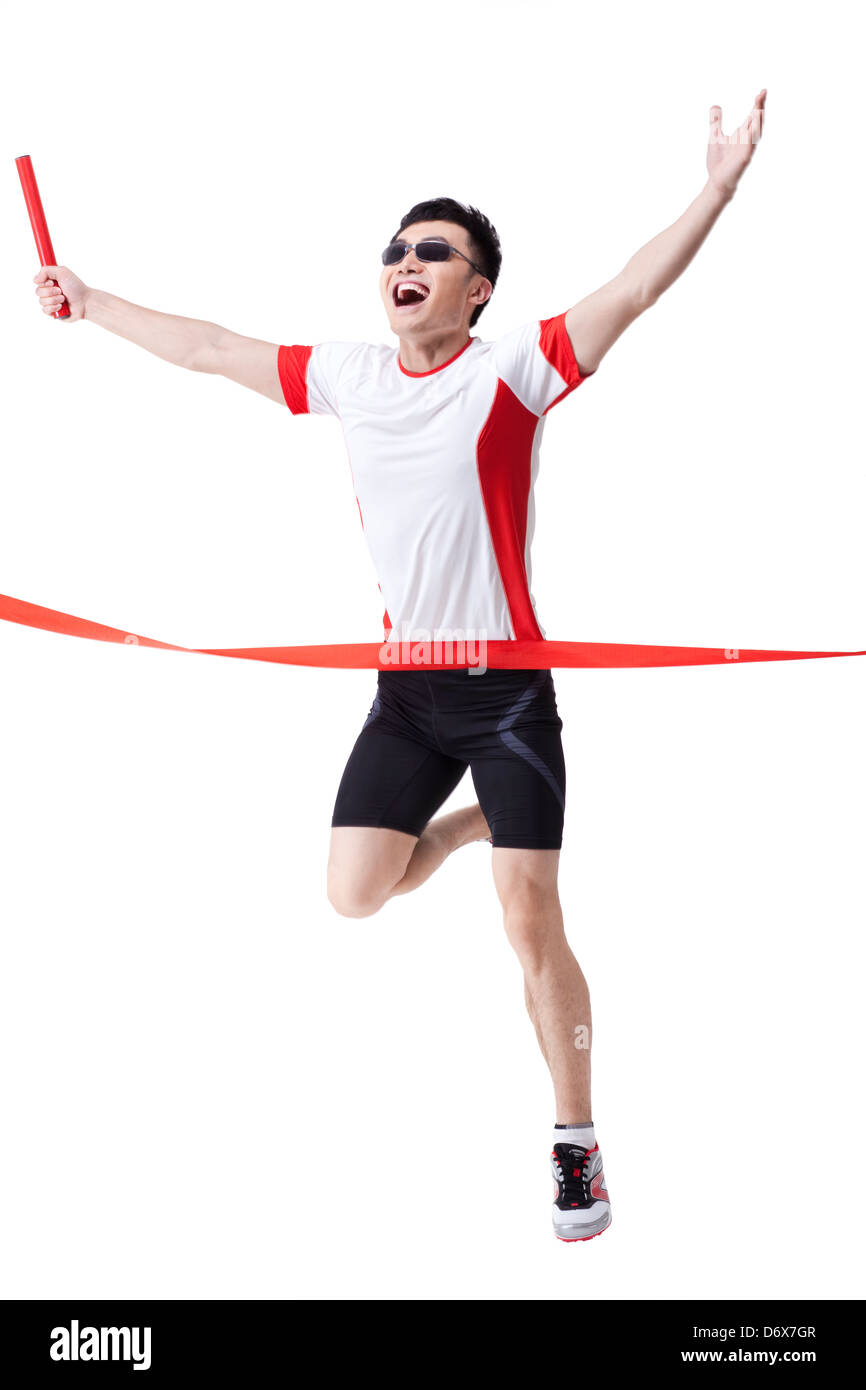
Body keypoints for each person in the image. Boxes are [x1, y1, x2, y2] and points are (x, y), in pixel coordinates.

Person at [32, 90, 766, 1241]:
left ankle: (574, 1142)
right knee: (354, 893)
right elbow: (211, 348)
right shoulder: (349, 375)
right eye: (394, 251)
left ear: (477, 287)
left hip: (507, 700)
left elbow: (632, 287)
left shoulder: (514, 370)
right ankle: (475, 822)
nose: (405, 262)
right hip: (408, 698)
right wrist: (90, 301)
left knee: (529, 924)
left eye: (435, 251)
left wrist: (715, 188)